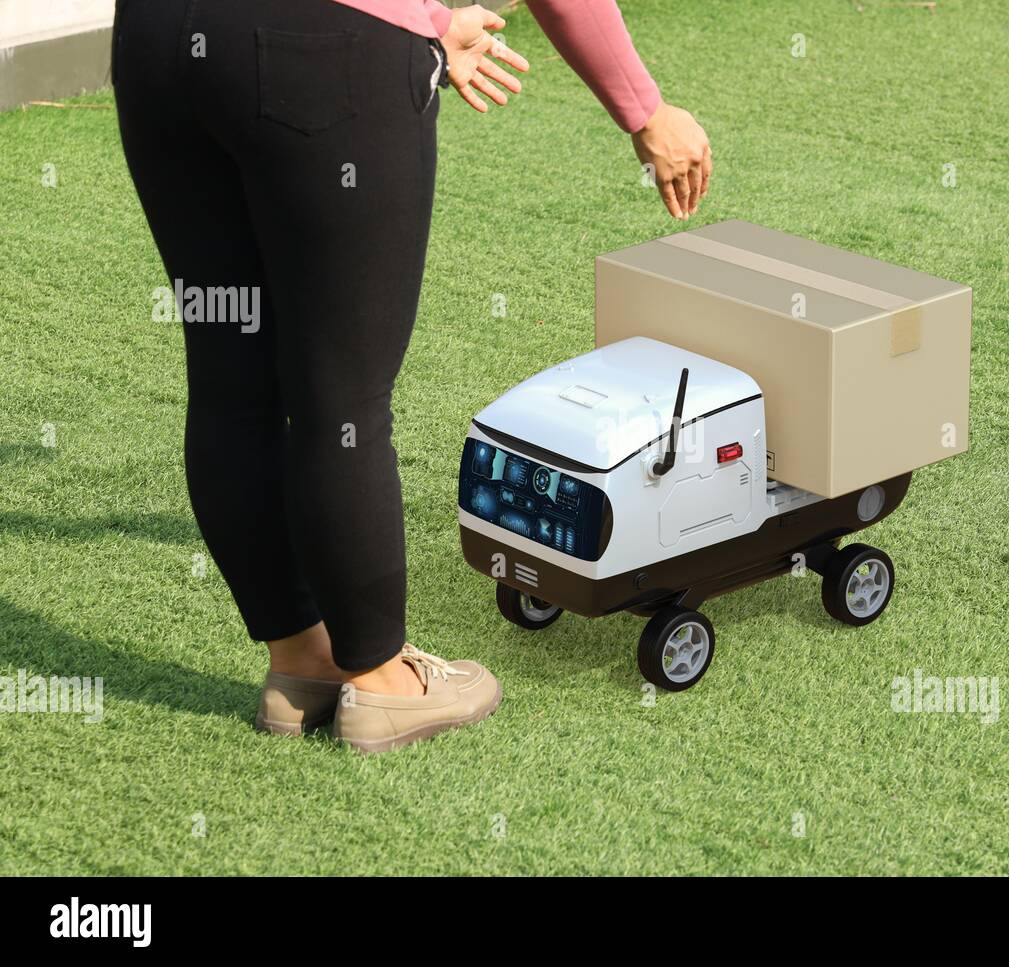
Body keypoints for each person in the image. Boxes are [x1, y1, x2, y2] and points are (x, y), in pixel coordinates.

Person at [111, 0, 711, 754]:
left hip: (157, 42)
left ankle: (302, 665)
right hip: (317, 44)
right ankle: (381, 680)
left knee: (232, 380)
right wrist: (644, 109)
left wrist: (423, 21)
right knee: (342, 402)